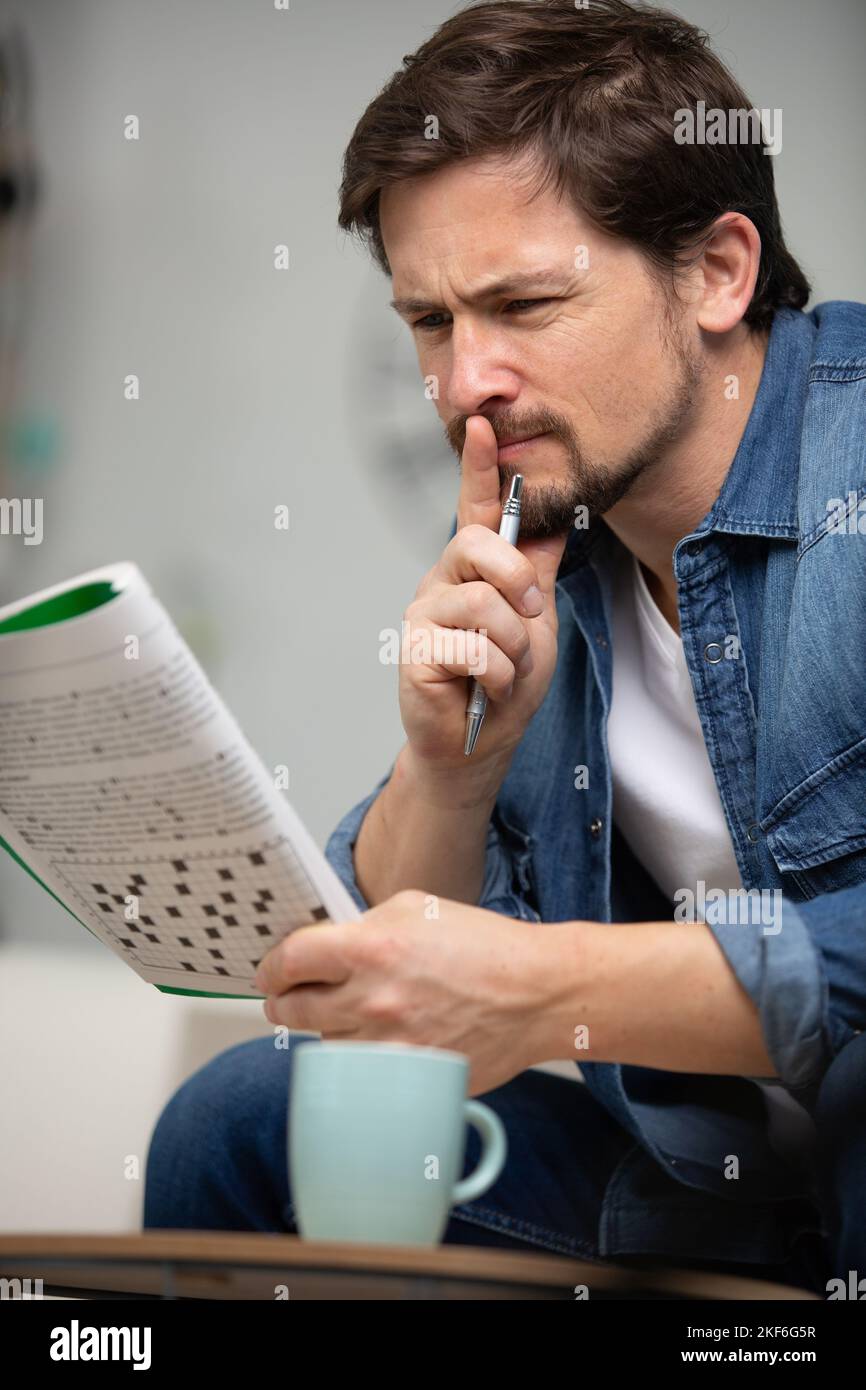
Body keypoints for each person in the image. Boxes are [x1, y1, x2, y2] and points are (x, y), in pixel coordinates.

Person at [144, 0, 865, 1291]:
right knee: (237, 1122)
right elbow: (386, 1015)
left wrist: (547, 982)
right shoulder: (544, 553)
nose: (464, 379)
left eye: (522, 302)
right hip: (724, 1201)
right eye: (428, 323)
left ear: (716, 271)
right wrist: (448, 768)